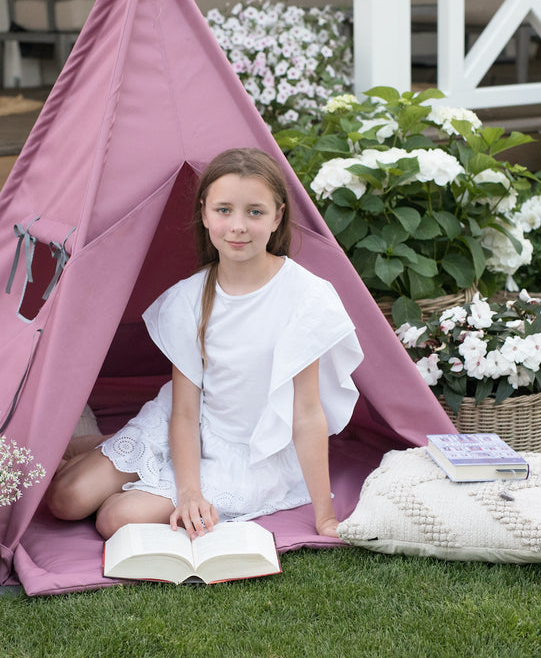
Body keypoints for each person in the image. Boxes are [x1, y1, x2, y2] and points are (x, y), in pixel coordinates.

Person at [46, 148, 363, 540]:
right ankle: (103, 447)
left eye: (255, 212)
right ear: (205, 214)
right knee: (66, 500)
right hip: (186, 423)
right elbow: (184, 411)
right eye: (224, 210)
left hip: (247, 454)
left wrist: (325, 516)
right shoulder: (189, 298)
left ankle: (111, 458)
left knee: (115, 518)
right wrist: (188, 492)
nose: (238, 226)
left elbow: (308, 414)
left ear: (277, 216)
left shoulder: (306, 297)